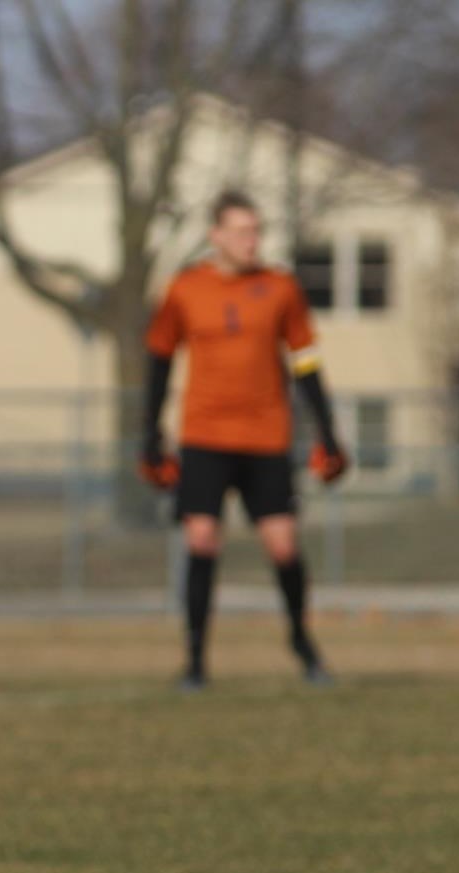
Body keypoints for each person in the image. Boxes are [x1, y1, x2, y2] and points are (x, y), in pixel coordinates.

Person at [140, 190, 346, 691]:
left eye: (256, 230)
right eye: (240, 231)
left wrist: (329, 433)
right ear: (216, 235)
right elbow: (160, 359)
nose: (251, 240)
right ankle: (195, 661)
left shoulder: (280, 288)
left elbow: (306, 361)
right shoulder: (186, 289)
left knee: (283, 545)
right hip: (205, 434)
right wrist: (149, 435)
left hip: (266, 435)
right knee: (201, 538)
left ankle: (300, 640)